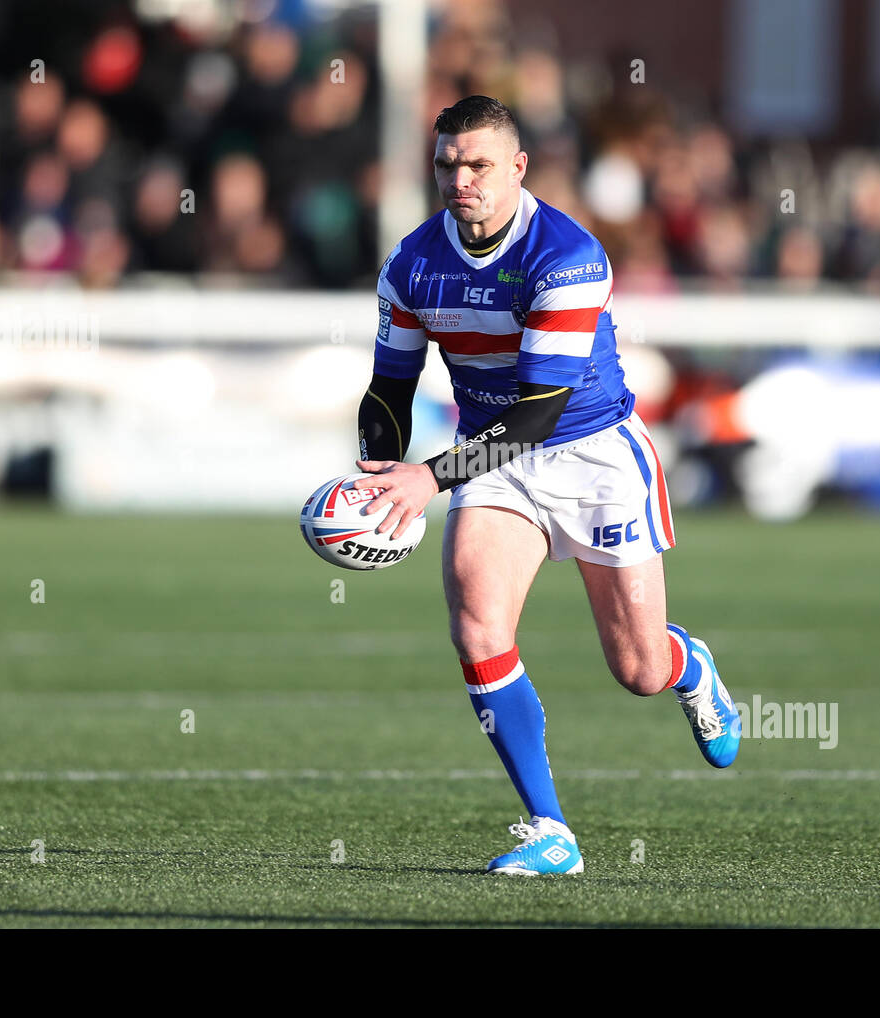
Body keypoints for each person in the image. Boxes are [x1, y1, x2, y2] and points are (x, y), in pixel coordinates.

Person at [355, 96, 740, 875]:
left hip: (589, 454)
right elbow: (388, 390)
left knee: (637, 670)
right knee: (478, 629)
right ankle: (550, 830)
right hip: (495, 465)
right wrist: (374, 476)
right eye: (447, 165)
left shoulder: (566, 255)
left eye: (479, 165)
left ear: (518, 168)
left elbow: (537, 415)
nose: (460, 180)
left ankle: (688, 666)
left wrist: (426, 479)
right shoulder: (410, 264)